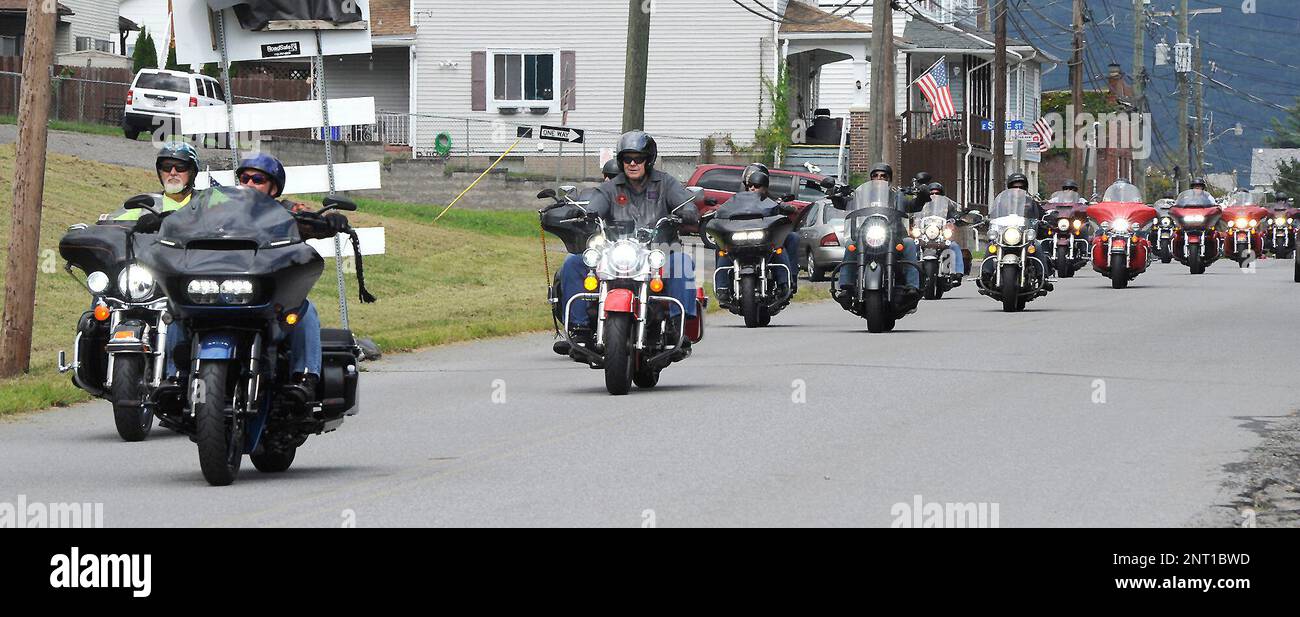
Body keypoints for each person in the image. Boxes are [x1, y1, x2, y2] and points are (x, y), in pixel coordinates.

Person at [557, 131, 700, 348]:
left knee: (682, 264)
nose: (632, 163)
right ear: (620, 160)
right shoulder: (610, 187)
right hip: (616, 249)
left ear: (648, 159)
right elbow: (597, 203)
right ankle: (579, 330)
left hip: (658, 250)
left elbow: (685, 202)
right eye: (627, 159)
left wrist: (687, 211)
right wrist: (586, 214)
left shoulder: (666, 183)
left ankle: (676, 326)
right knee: (574, 263)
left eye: (638, 158)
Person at [713, 163, 799, 299]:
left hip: (764, 238)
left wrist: (786, 207)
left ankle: (787, 281)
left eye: (757, 184)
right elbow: (725, 210)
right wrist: (717, 212)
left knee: (783, 243)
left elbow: (787, 210)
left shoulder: (771, 201)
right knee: (722, 246)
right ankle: (722, 286)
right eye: (749, 184)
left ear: (765, 184)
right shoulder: (737, 200)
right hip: (741, 238)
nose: (752, 187)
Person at [835, 162, 923, 291]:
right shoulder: (860, 196)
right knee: (850, 244)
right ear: (871, 178)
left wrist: (922, 196)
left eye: (883, 176)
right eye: (875, 175)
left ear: (889, 179)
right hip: (865, 234)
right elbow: (844, 204)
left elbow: (913, 205)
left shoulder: (898, 196)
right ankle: (845, 286)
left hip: (894, 235)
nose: (879, 178)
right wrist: (835, 196)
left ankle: (913, 285)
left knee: (909, 243)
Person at [924, 181, 966, 276]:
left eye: (937, 193)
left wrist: (958, 217)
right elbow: (915, 215)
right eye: (932, 193)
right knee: (914, 246)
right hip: (925, 236)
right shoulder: (923, 206)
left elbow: (954, 215)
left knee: (954, 246)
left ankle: (958, 272)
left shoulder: (947, 206)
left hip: (941, 236)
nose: (934, 195)